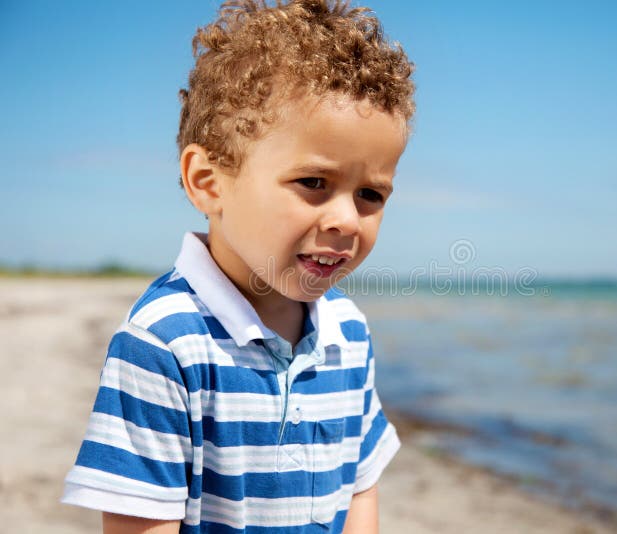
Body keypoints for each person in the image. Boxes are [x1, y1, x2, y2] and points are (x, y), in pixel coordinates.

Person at [61, 0, 415, 532]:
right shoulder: (165, 344)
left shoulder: (348, 332)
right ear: (208, 182)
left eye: (370, 193)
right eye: (314, 183)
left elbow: (360, 487)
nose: (347, 218)